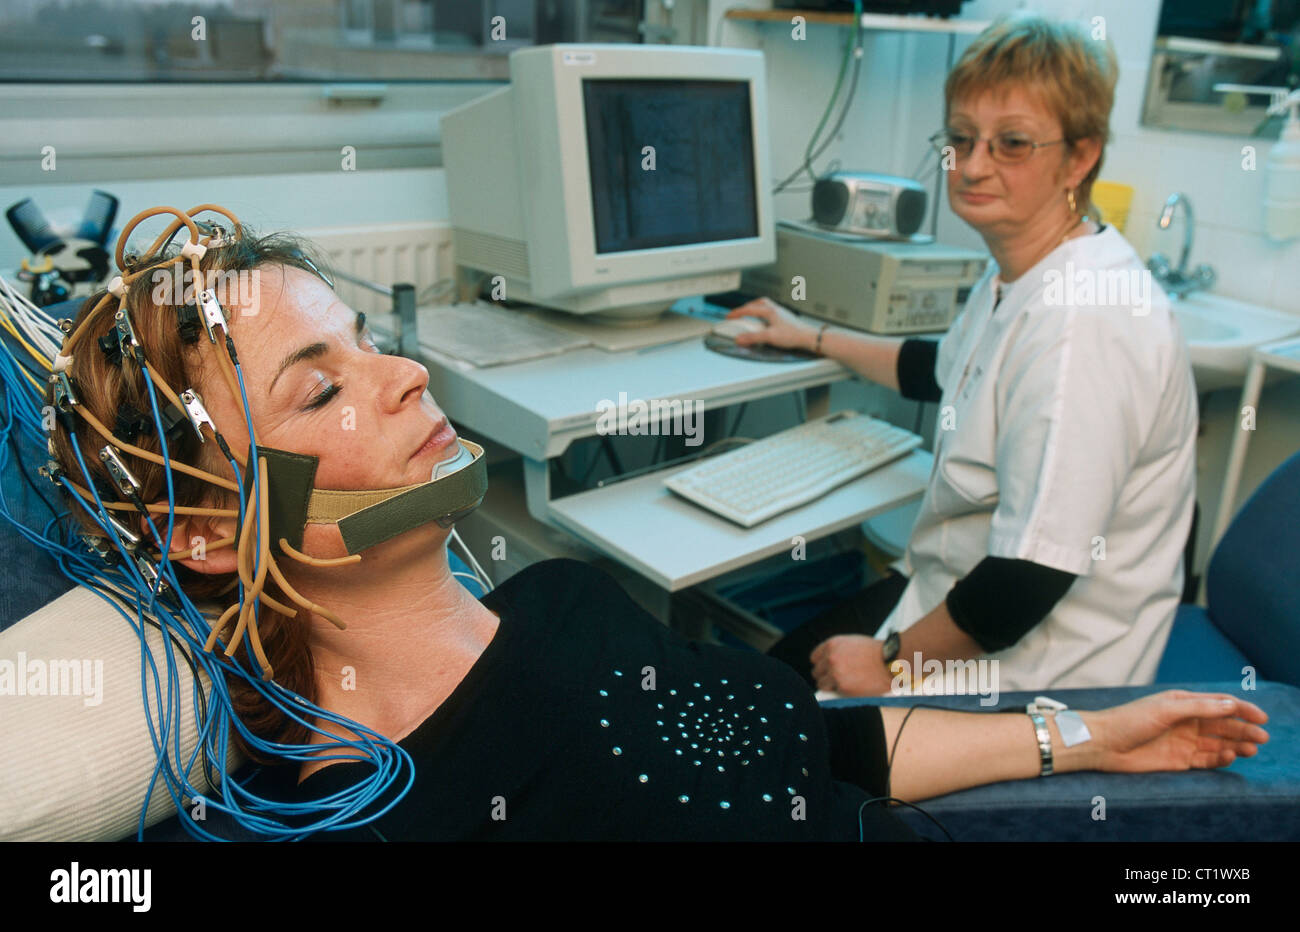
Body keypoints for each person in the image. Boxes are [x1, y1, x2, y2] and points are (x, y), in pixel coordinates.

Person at [42, 214, 1266, 842]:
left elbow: (828, 750)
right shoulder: (381, 810)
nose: (407, 375)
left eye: (369, 341)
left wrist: (1092, 733)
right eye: (324, 387)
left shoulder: (561, 605)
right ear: (207, 536)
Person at [741, 12, 1199, 698]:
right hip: (949, 597)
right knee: (765, 675)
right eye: (961, 138)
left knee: (766, 729)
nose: (974, 165)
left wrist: (890, 660)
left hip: (1031, 673)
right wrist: (807, 335)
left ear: (1080, 156)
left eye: (1012, 144)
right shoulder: (1022, 267)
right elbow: (938, 368)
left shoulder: (1085, 322)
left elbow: (1024, 583)